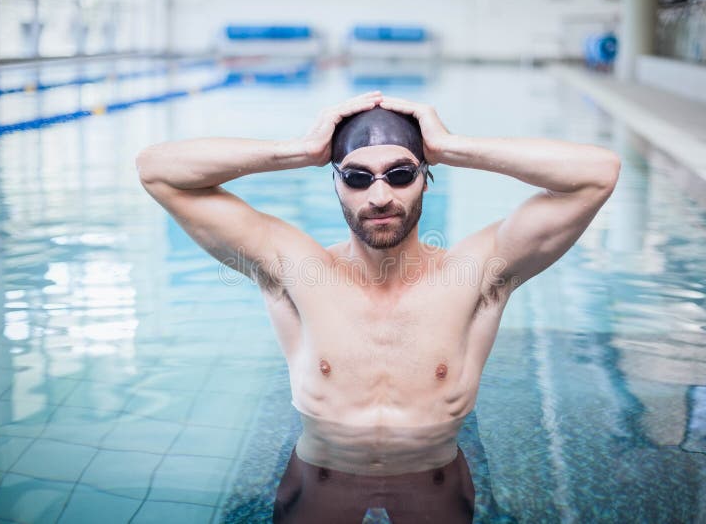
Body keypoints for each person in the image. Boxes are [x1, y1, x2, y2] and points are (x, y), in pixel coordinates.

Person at [136, 90, 620, 521]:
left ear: (426, 179)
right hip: (319, 483)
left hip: (433, 485)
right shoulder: (293, 269)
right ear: (335, 183)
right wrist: (299, 152)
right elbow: (157, 171)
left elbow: (597, 174)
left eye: (402, 174)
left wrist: (452, 147)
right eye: (358, 177)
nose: (381, 195)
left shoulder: (477, 274)